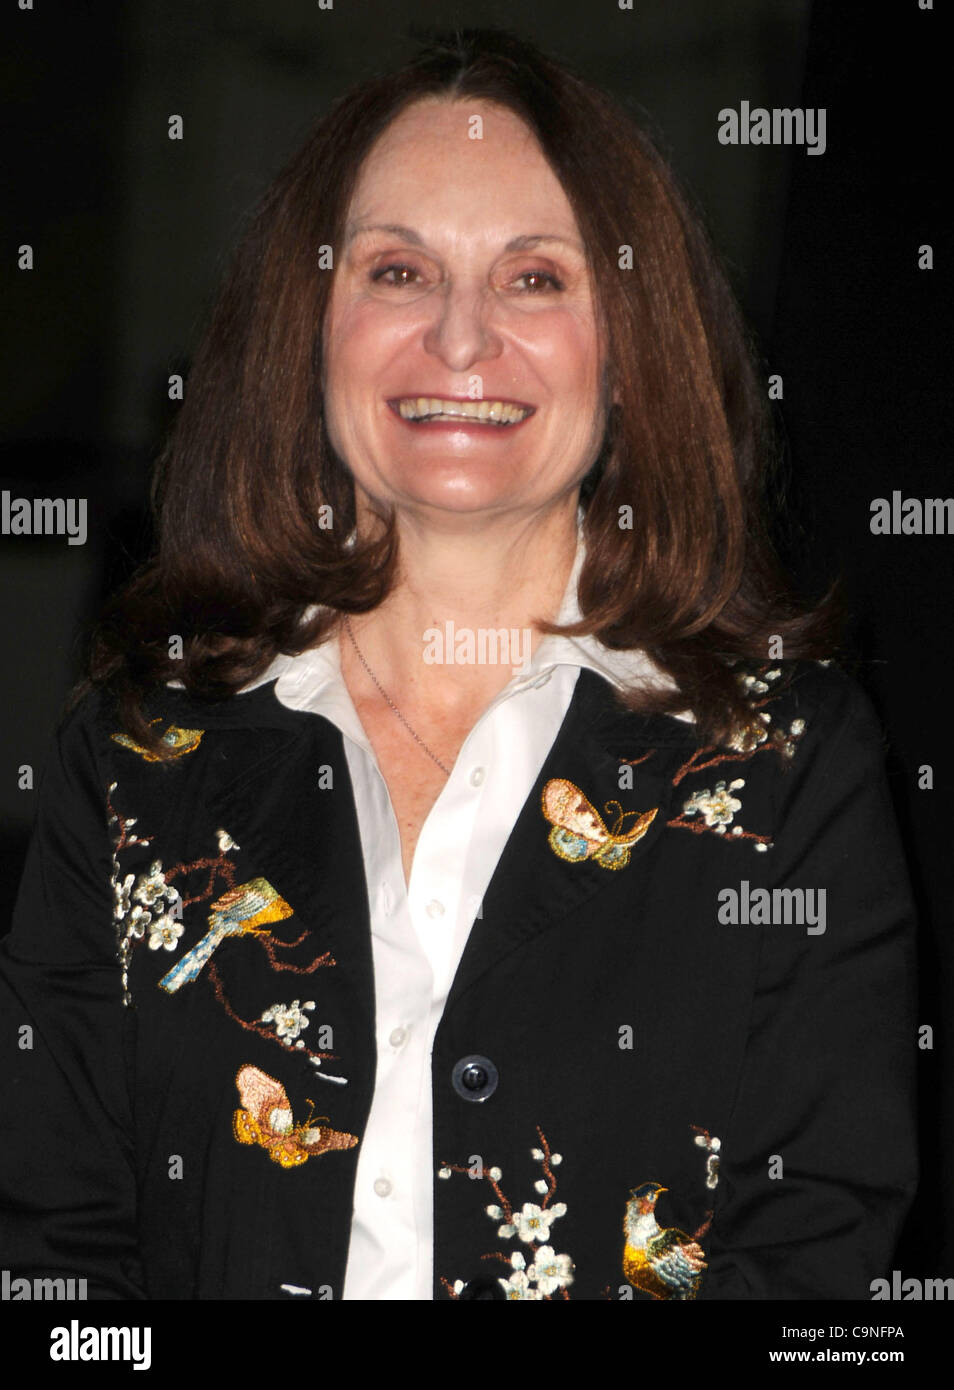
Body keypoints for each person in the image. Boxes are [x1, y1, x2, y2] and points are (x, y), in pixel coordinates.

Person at [0, 28, 916, 1301]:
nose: (463, 340)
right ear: (309, 328)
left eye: (536, 278)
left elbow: (815, 1255)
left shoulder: (790, 765)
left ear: (631, 343)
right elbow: (55, 1259)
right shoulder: (132, 761)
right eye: (397, 270)